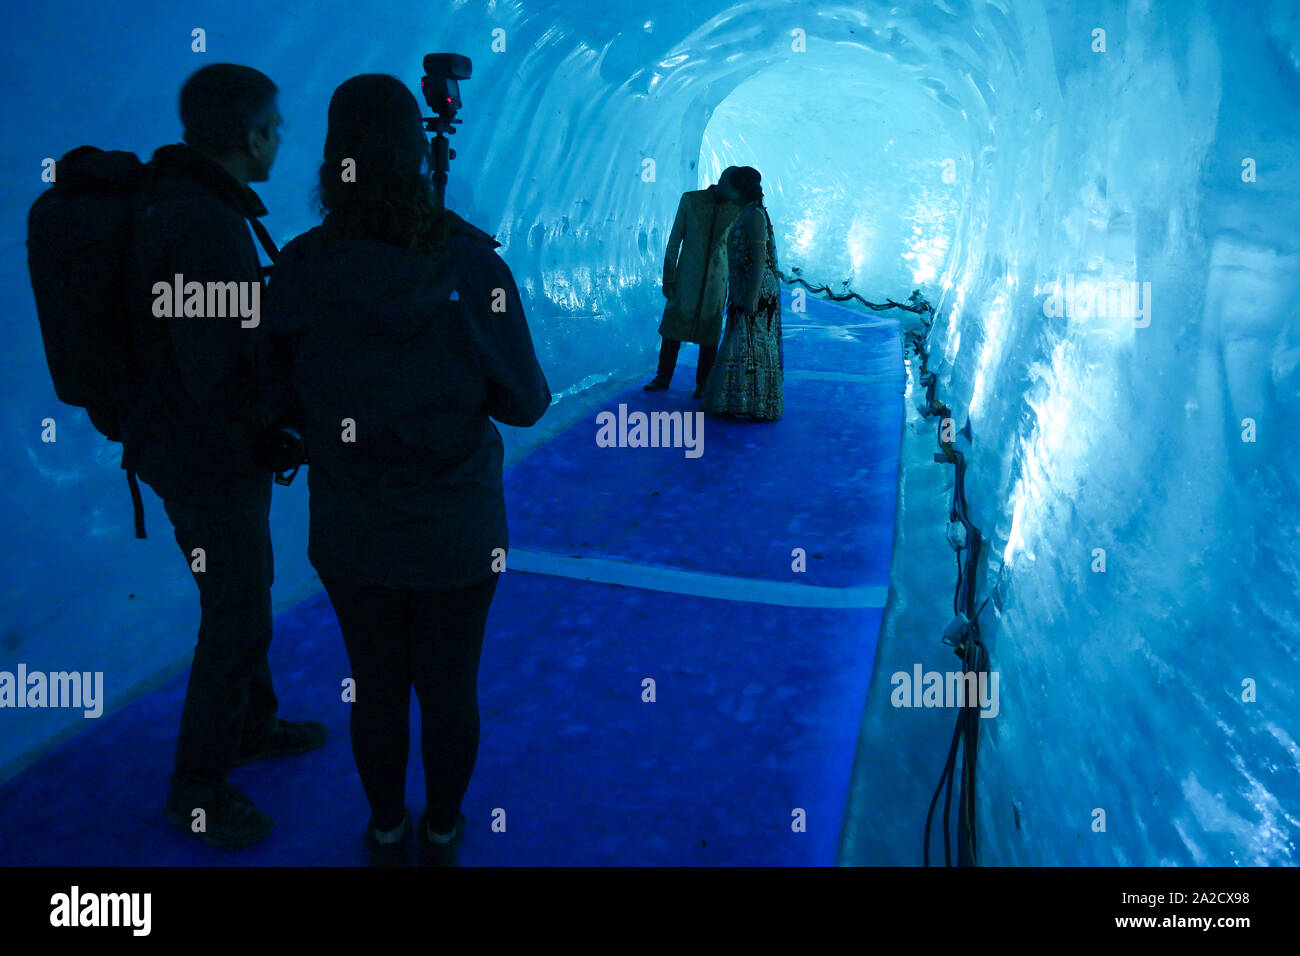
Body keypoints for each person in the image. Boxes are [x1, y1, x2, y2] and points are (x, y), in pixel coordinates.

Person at [263, 74, 551, 866]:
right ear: (420, 156)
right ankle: (445, 830)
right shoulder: (469, 266)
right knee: (450, 687)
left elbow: (270, 397)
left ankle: (386, 829)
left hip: (353, 530)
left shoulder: (296, 270)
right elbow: (526, 400)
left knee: (376, 685)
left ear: (332, 164)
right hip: (456, 530)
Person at [126, 63, 328, 850]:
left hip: (178, 446)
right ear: (251, 135)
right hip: (205, 456)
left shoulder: (177, 205)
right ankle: (198, 787)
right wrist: (276, 422)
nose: (280, 138)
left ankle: (255, 723)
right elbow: (220, 363)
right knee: (236, 611)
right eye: (274, 126)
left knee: (244, 588)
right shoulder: (205, 224)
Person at [645, 167, 741, 397]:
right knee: (672, 331)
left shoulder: (737, 209)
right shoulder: (691, 199)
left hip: (716, 283)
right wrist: (668, 277)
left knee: (710, 336)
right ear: (724, 182)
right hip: (687, 278)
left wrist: (735, 287)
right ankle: (663, 377)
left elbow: (737, 251)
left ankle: (703, 384)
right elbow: (674, 240)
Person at [700, 166, 784, 420]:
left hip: (756, 292)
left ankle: (753, 402)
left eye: (726, 181)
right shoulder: (746, 212)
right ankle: (742, 400)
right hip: (745, 289)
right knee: (746, 342)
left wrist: (751, 298)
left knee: (750, 341)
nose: (720, 184)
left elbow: (760, 262)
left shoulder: (754, 216)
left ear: (737, 188)